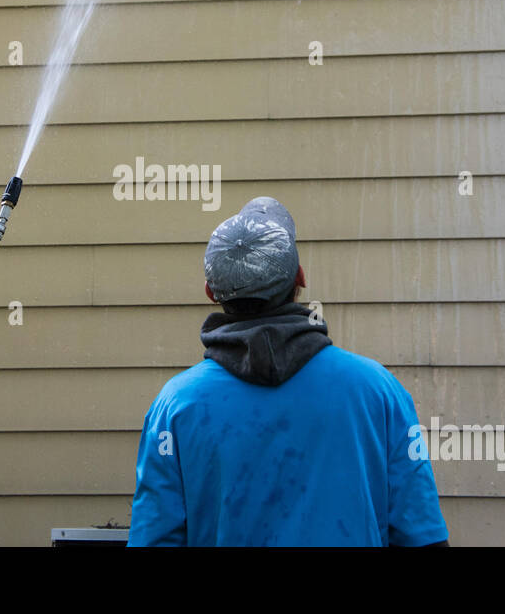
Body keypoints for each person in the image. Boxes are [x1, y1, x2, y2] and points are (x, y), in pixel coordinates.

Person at [128, 198, 449, 546]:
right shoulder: (377, 390)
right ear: (300, 278)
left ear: (211, 292)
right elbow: (423, 536)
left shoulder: (175, 406)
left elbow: (155, 537)